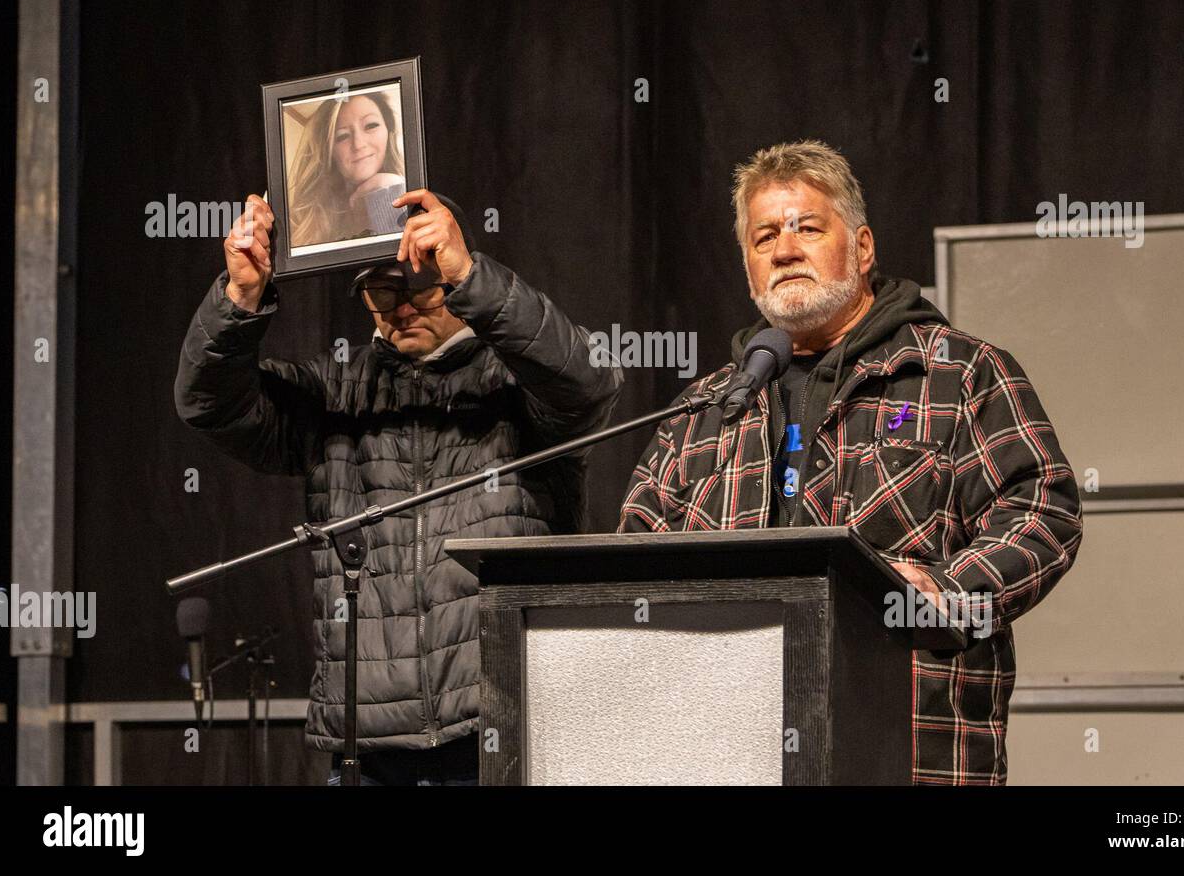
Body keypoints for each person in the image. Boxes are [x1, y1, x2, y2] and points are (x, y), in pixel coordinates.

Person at [618, 139, 1082, 785]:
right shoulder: (703, 408)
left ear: (863, 248)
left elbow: (1040, 510)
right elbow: (633, 558)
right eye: (764, 238)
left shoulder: (959, 372)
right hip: (728, 752)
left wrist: (944, 593)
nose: (784, 250)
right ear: (748, 267)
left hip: (909, 749)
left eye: (807, 228)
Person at [175, 187, 621, 784]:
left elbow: (589, 382)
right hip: (371, 752)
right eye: (384, 291)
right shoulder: (333, 392)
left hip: (510, 733)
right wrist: (240, 299)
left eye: (423, 286)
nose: (403, 308)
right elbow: (208, 404)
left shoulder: (517, 382)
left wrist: (472, 277)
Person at [286, 90, 408, 248]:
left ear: (388, 131)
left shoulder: (417, 198)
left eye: (371, 125)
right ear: (329, 152)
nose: (358, 144)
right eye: (342, 136)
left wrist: (388, 187)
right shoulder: (301, 224)